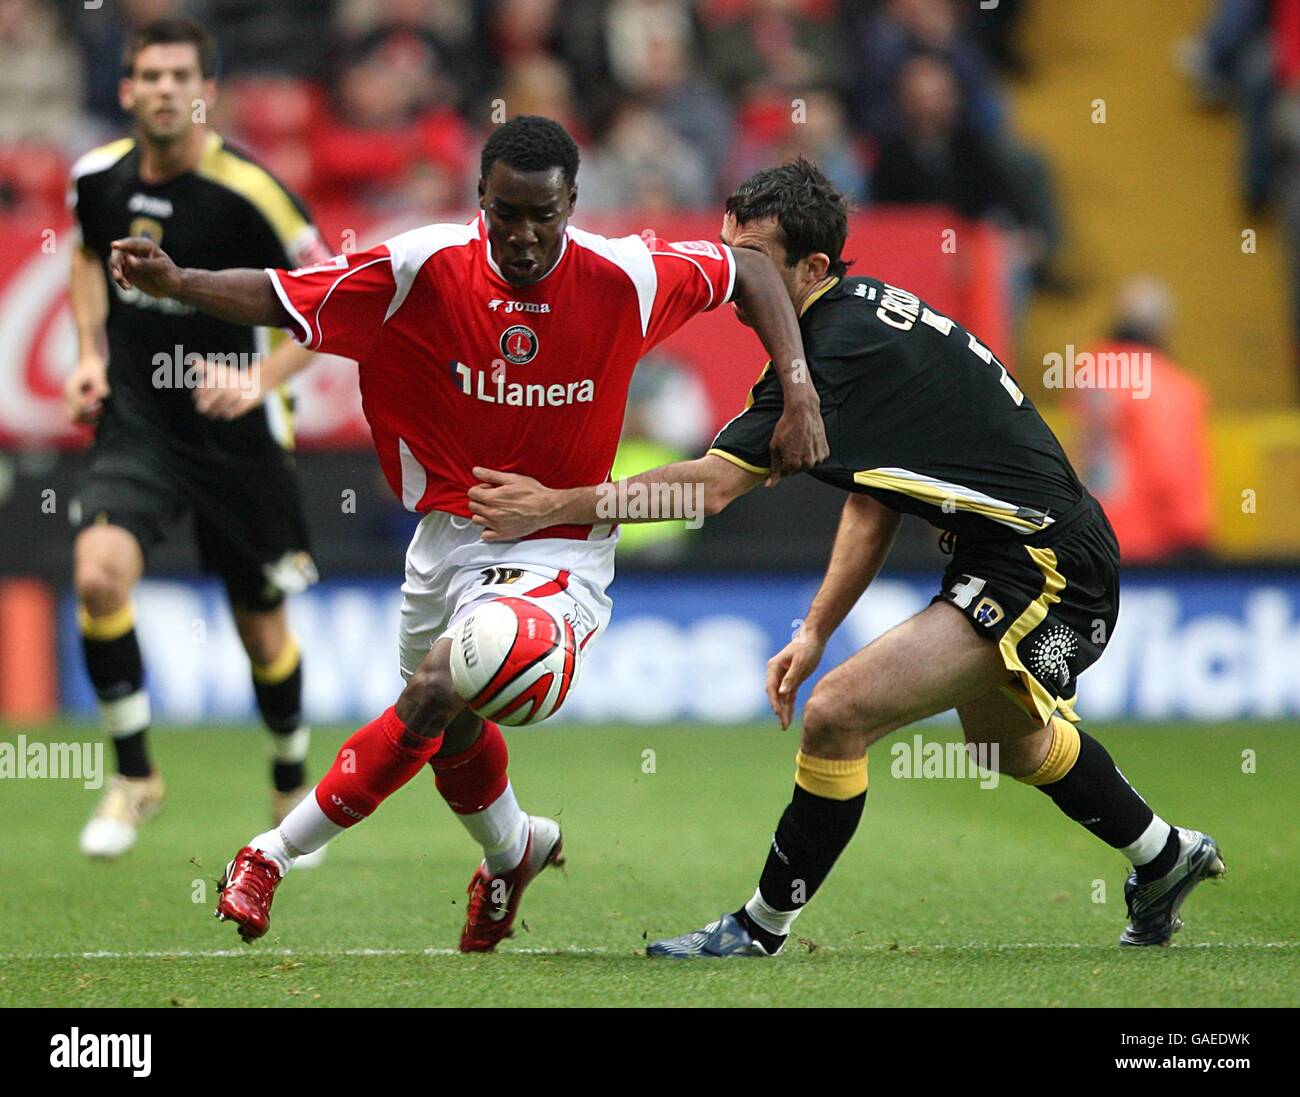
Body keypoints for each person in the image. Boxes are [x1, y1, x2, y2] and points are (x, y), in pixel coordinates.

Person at [468, 159, 1226, 956]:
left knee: (837, 714)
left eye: (754, 260)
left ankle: (758, 928)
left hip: (1048, 568)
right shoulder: (847, 326)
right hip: (1016, 554)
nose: (733, 275)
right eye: (729, 251)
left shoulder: (834, 348)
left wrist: (553, 505)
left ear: (814, 267)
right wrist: (816, 628)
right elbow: (872, 497)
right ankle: (1166, 855)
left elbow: (709, 491)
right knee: (1007, 743)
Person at [105, 115, 828, 951]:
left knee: (437, 687)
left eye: (542, 217)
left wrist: (798, 387)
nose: (522, 236)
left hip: (558, 549)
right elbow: (284, 296)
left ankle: (268, 854)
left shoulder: (625, 275)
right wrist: (180, 281)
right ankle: (514, 851)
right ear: (480, 198)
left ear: (573, 205)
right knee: (443, 722)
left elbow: (748, 270)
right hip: (444, 541)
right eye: (505, 213)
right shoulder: (421, 269)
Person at [65, 18, 329, 861]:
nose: (167, 88)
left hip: (237, 436)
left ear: (205, 92)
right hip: (140, 420)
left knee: (262, 630)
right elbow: (82, 255)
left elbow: (328, 299)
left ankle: (290, 786)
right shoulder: (97, 179)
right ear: (127, 90)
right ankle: (136, 777)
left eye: (183, 74)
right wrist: (84, 353)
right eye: (152, 74)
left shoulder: (253, 194)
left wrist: (259, 378)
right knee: (98, 574)